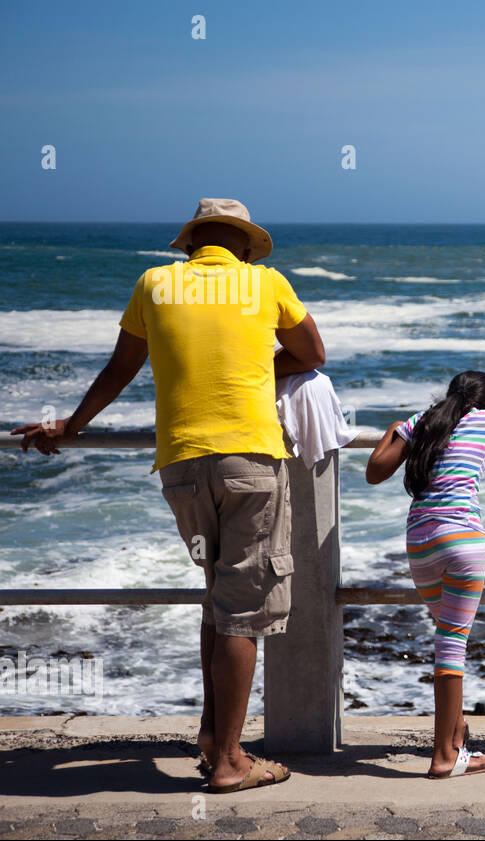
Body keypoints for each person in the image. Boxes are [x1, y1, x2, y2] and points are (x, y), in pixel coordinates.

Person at [11, 198, 327, 793]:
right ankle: (232, 763)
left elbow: (120, 368)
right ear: (241, 245)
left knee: (218, 599)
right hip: (249, 460)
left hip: (180, 465)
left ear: (190, 244)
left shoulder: (154, 283)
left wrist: (69, 426)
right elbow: (313, 355)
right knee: (242, 613)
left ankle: (214, 738)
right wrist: (258, 368)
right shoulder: (264, 283)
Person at [365, 370, 485, 777]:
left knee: (446, 634)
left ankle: (457, 735)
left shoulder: (421, 422)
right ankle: (444, 756)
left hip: (419, 542)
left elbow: (375, 472)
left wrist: (395, 430)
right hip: (462, 539)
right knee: (451, 647)